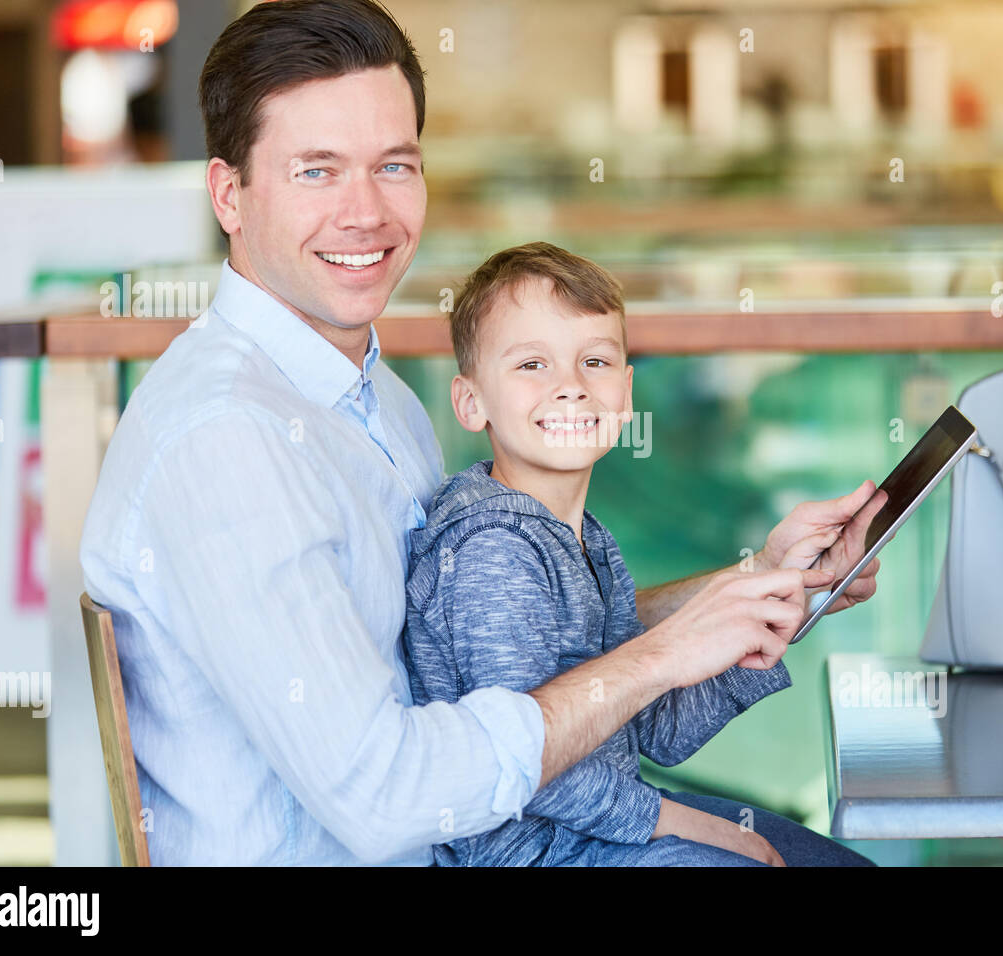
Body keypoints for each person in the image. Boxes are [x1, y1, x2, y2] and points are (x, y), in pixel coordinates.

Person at [79, 0, 881, 865]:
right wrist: (659, 661)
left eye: (393, 166)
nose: (367, 214)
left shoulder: (374, 399)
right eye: (317, 171)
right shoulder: (225, 441)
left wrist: (762, 587)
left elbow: (499, 644)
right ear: (229, 194)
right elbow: (385, 796)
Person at [404, 242, 880, 866]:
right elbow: (529, 764)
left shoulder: (584, 537)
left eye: (594, 361)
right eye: (531, 366)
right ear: (471, 402)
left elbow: (655, 729)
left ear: (625, 393)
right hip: (536, 852)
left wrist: (783, 600)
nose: (571, 388)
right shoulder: (493, 549)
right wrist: (687, 825)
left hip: (597, 827)